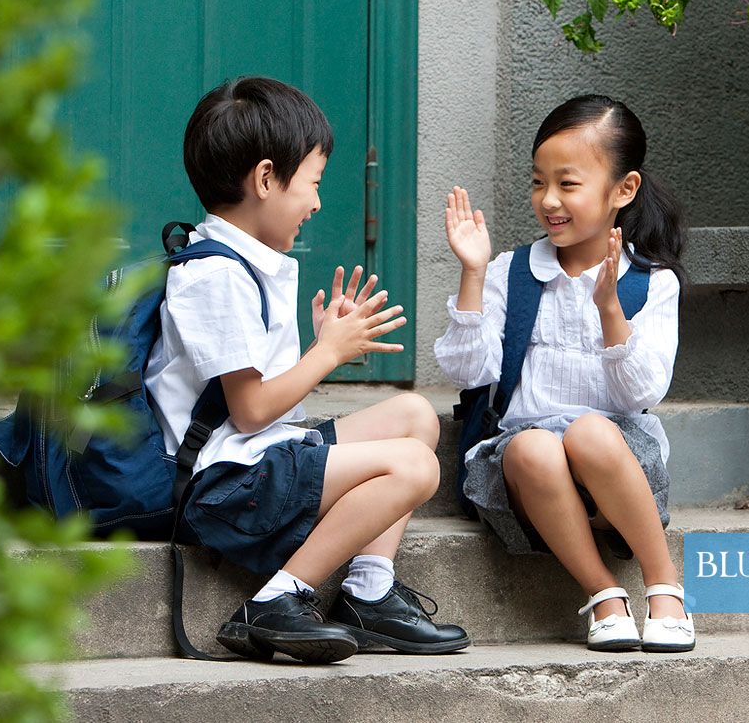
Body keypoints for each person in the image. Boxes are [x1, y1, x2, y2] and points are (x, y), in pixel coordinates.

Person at [145, 76, 470, 664]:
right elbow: (249, 412)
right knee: (417, 466)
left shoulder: (245, 262)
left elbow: (255, 403)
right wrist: (327, 355)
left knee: (415, 415)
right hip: (224, 487)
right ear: (266, 179)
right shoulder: (214, 275)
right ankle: (274, 602)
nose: (318, 203)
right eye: (313, 183)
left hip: (259, 458)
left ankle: (367, 594)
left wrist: (320, 345)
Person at [434, 94, 694, 653]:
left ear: (623, 190)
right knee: (531, 447)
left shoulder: (653, 283)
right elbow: (465, 369)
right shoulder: (514, 272)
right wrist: (473, 273)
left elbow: (644, 392)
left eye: (568, 184)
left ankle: (665, 585)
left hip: (616, 466)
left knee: (591, 432)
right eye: (538, 183)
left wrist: (609, 313)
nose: (548, 200)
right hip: (532, 480)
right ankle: (603, 594)